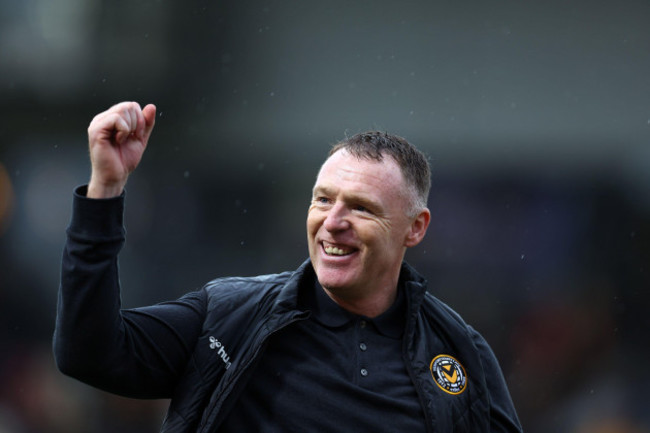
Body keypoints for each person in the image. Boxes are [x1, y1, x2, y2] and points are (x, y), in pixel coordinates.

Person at [54, 101, 523, 432]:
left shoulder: (461, 351)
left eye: (360, 208)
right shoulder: (229, 315)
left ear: (415, 228)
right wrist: (106, 190)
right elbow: (88, 353)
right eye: (322, 199)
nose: (332, 222)